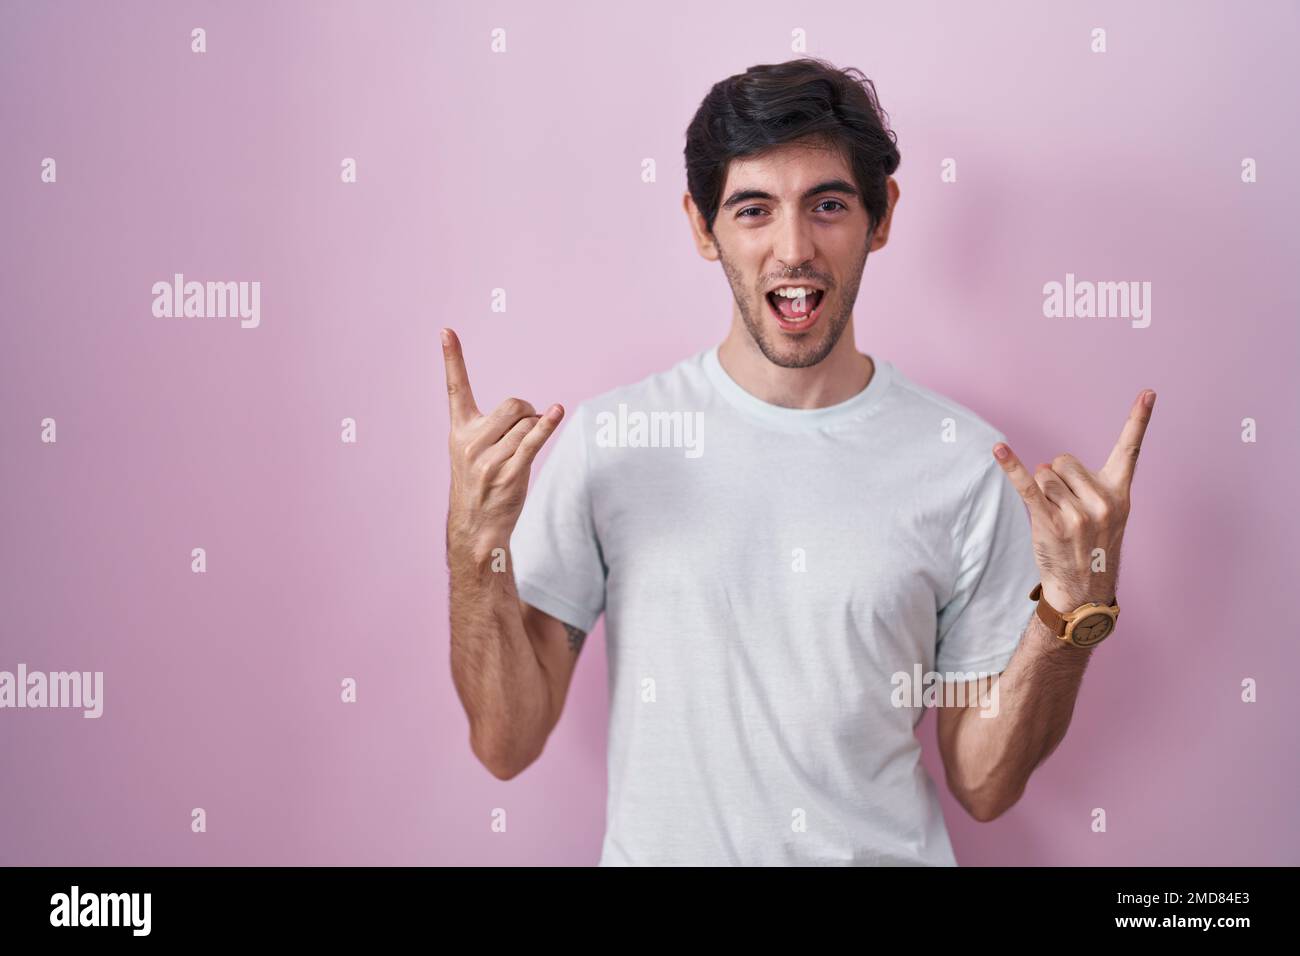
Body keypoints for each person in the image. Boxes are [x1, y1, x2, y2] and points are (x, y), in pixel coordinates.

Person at [442, 58, 1154, 866]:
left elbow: (984, 785)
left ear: (880, 218)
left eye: (827, 205)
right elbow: (506, 742)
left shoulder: (967, 467)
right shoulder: (614, 441)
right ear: (701, 226)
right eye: (753, 209)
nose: (793, 249)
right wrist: (475, 552)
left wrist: (1071, 614)